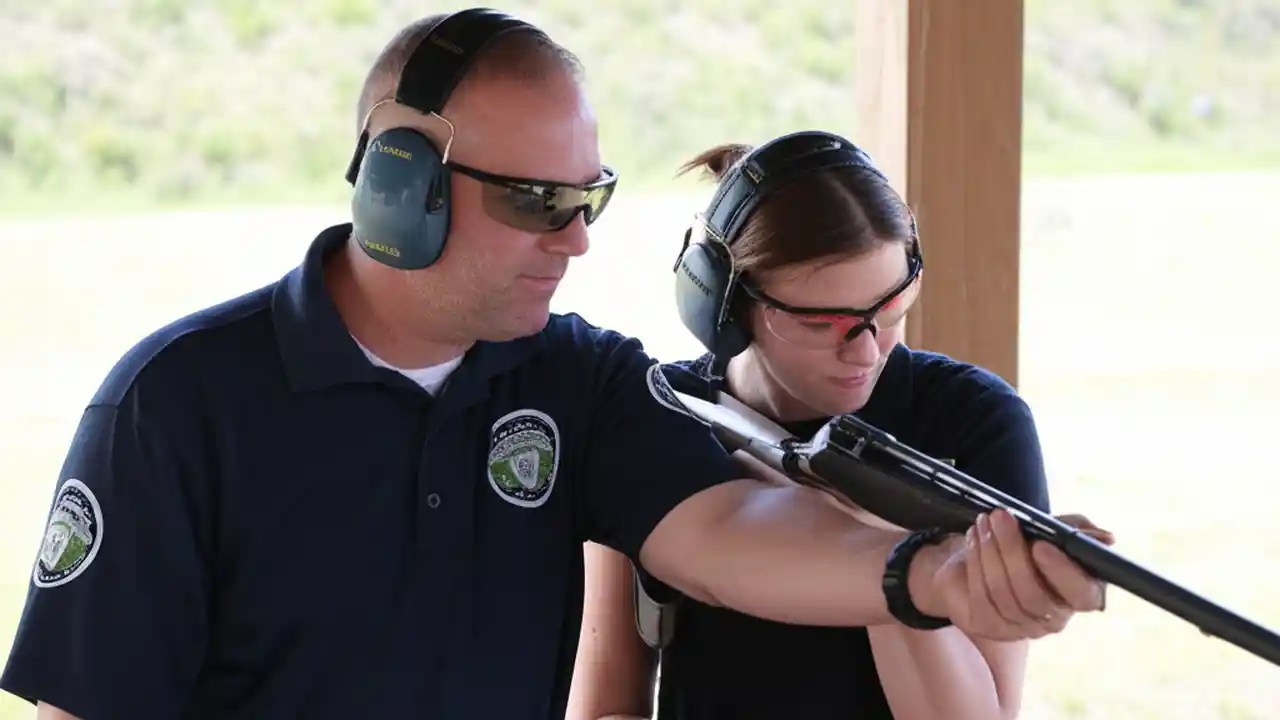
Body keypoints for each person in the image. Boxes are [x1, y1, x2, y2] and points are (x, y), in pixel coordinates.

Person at [1, 10, 1107, 720]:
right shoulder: (179, 404)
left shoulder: (573, 380)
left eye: (586, 200)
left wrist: (930, 570)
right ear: (401, 191)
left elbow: (729, 527)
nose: (574, 239)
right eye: (535, 202)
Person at [568, 131, 1116, 720]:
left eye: (889, 313)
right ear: (723, 305)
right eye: (820, 324)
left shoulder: (972, 420)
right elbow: (606, 704)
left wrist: (876, 540)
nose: (865, 353)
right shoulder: (662, 413)